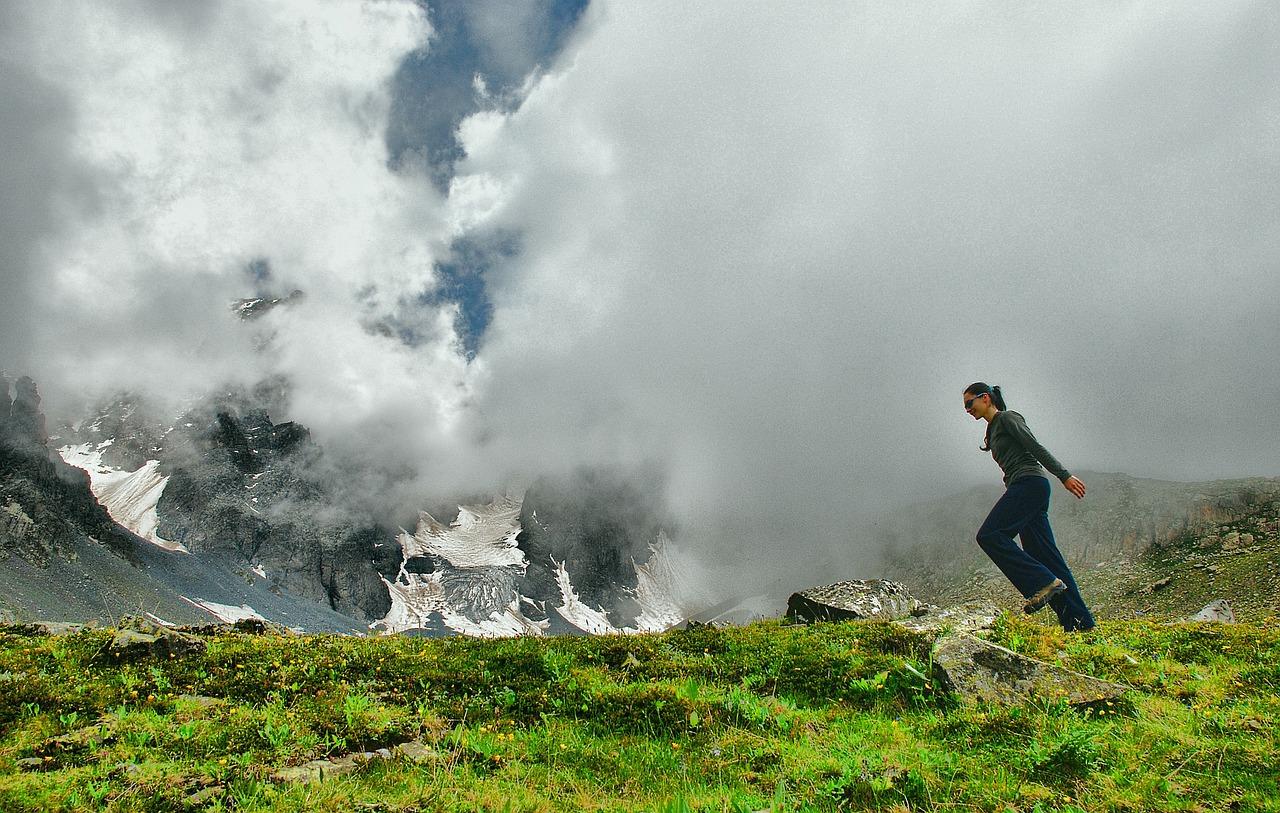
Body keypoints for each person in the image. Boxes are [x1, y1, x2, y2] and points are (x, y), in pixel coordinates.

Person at [962, 382, 1095, 632]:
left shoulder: (1007, 418)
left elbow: (1034, 447)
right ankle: (1079, 624)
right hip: (1026, 487)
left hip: (1029, 484)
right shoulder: (992, 430)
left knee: (990, 535)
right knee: (1047, 558)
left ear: (986, 398)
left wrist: (1064, 475)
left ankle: (1042, 583)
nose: (967, 409)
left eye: (970, 403)